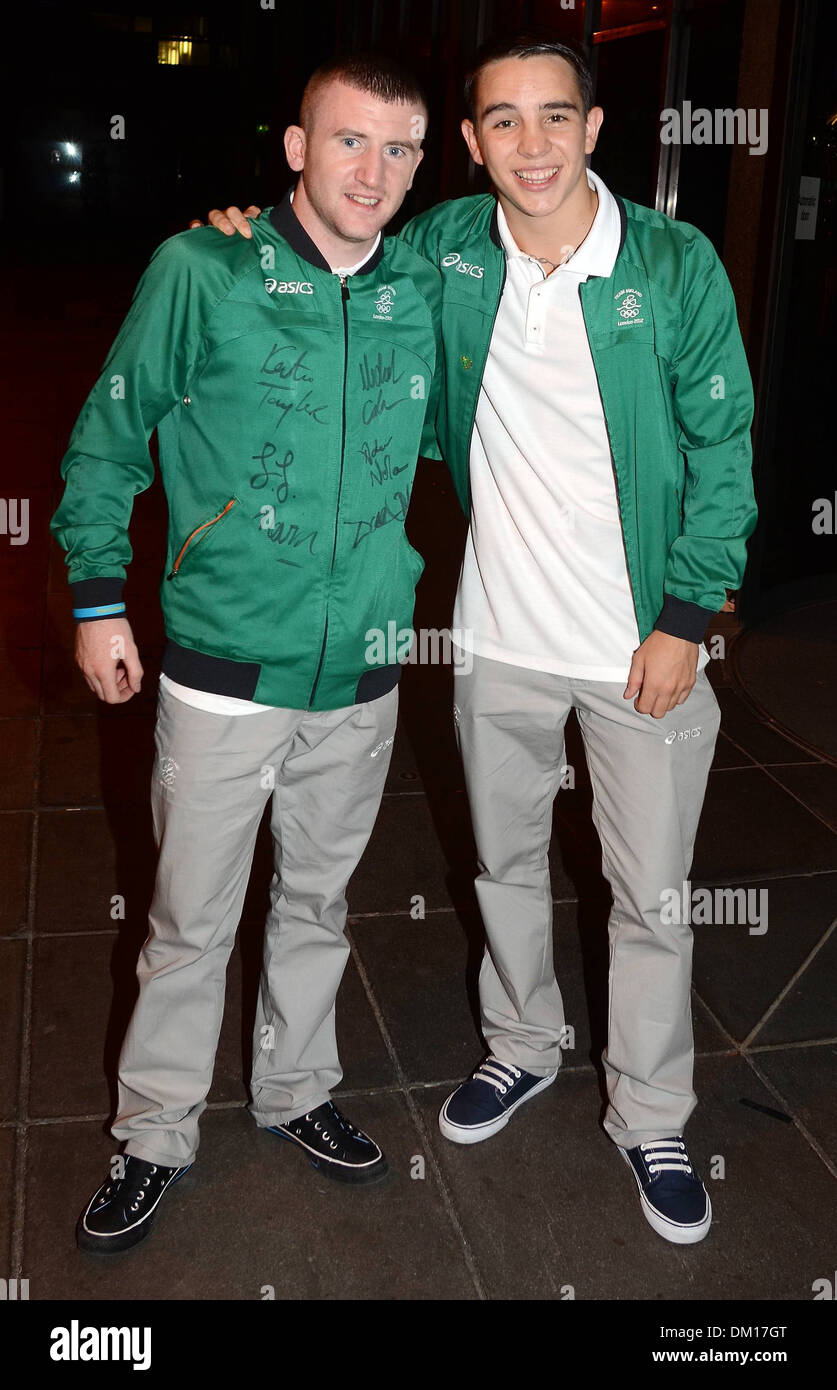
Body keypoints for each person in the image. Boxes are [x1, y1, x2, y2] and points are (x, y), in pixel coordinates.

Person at [205, 32, 758, 1247]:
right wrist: (250, 230)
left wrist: (687, 618)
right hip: (496, 641)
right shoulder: (446, 251)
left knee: (651, 895)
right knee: (503, 868)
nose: (532, 144)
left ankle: (653, 1109)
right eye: (503, 121)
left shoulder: (671, 267)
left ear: (596, 128)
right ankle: (524, 1045)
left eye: (555, 116)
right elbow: (332, 247)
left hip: (641, 649)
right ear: (470, 143)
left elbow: (725, 456)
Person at [50, 53, 441, 1254]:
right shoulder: (202, 268)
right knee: (188, 920)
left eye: (399, 148)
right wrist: (97, 600)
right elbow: (107, 441)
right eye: (347, 141)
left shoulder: (423, 288)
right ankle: (155, 1131)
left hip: (364, 668)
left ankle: (294, 1090)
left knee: (318, 903)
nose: (372, 171)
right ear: (293, 146)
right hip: (224, 665)